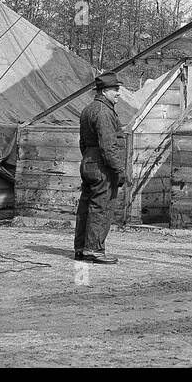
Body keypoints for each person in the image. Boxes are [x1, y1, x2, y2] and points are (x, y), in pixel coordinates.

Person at [74, 73, 127, 264]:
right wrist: (118, 170)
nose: (118, 93)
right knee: (101, 207)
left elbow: (83, 142)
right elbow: (108, 145)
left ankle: (81, 248)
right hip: (102, 165)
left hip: (88, 161)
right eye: (115, 89)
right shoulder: (104, 112)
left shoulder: (88, 109)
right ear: (105, 92)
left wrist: (89, 159)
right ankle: (94, 250)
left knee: (86, 207)